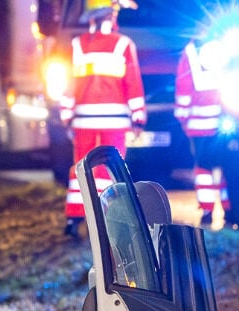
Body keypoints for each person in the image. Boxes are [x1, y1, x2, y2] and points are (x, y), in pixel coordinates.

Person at [60, 0, 146, 239]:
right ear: (112, 16)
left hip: (83, 121)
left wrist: (67, 116)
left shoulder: (76, 46)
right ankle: (109, 219)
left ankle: (74, 217)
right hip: (114, 121)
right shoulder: (124, 45)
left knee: (81, 169)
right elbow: (133, 84)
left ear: (90, 17)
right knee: (111, 167)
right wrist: (138, 118)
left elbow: (68, 86)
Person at [174, 38, 229, 227]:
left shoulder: (190, 51)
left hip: (199, 124)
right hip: (226, 121)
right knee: (223, 166)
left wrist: (181, 116)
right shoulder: (229, 44)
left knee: (203, 167)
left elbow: (184, 85)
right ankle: (229, 209)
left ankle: (207, 210)